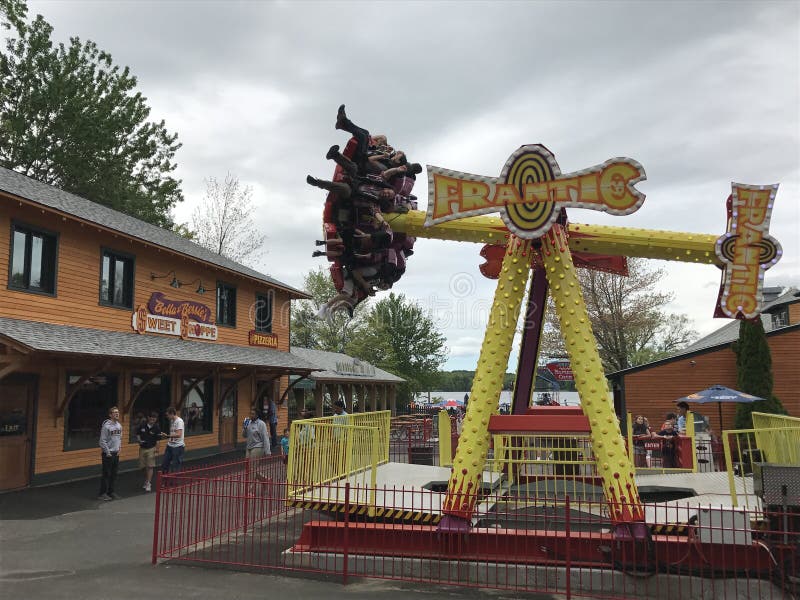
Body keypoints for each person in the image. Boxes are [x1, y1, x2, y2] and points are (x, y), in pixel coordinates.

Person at [98, 406, 122, 501]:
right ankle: (102, 493)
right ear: (110, 415)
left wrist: (120, 448)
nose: (117, 414)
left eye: (118, 412)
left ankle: (111, 492)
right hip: (108, 454)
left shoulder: (119, 426)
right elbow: (102, 441)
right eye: (115, 412)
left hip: (116, 453)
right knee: (106, 474)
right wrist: (107, 452)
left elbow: (119, 438)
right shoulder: (106, 426)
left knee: (114, 474)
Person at [136, 411, 161, 492]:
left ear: (156, 419)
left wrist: (157, 450)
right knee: (142, 467)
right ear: (148, 417)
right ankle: (146, 480)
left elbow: (158, 440)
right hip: (142, 448)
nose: (152, 420)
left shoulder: (157, 427)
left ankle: (148, 483)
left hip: (151, 448)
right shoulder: (142, 425)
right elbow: (138, 434)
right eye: (151, 418)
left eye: (154, 419)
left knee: (150, 466)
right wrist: (139, 440)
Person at [161, 407, 185, 473]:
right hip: (170, 445)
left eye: (167, 415)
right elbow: (173, 432)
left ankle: (173, 482)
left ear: (172, 414)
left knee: (175, 465)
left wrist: (167, 436)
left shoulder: (179, 421)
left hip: (178, 446)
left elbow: (179, 434)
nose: (167, 416)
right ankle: (165, 481)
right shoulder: (172, 421)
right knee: (165, 464)